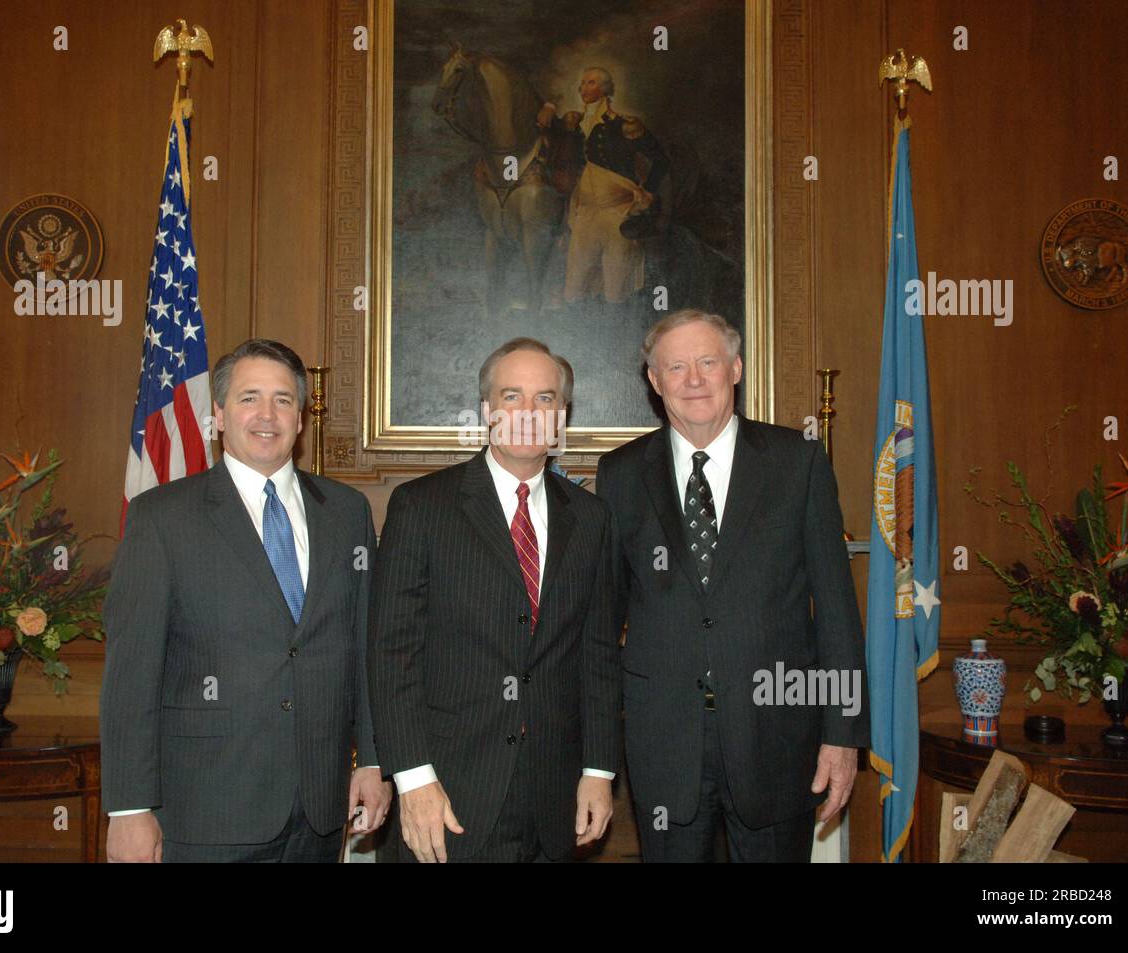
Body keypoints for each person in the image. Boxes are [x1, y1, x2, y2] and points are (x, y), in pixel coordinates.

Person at [101, 338, 391, 862]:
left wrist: (371, 761)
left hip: (320, 810)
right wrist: (128, 808)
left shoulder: (347, 512)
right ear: (218, 414)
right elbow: (130, 674)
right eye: (248, 397)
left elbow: (367, 648)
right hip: (204, 809)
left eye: (283, 400)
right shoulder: (162, 518)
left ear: (301, 419)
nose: (267, 414)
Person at [594, 310, 869, 862]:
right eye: (676, 366)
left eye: (707, 362)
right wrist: (595, 755)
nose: (693, 379)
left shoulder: (798, 463)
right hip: (663, 739)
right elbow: (601, 624)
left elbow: (837, 610)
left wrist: (842, 737)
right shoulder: (621, 473)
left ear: (735, 368)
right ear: (655, 381)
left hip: (776, 734)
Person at [368, 338, 621, 862]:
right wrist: (413, 779)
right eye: (512, 396)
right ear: (487, 411)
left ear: (562, 416)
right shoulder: (422, 507)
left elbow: (598, 656)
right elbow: (392, 656)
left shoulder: (592, 519)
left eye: (546, 399)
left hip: (555, 801)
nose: (529, 412)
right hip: (446, 794)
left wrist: (598, 771)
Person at [537, 67, 669, 305]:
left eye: (591, 83)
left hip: (617, 213)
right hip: (585, 213)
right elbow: (550, 129)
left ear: (605, 89)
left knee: (616, 290)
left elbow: (661, 160)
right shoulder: (575, 124)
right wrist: (549, 106)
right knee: (575, 289)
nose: (583, 88)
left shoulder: (625, 125)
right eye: (582, 83)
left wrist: (646, 194)